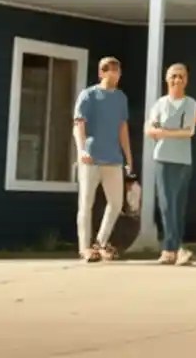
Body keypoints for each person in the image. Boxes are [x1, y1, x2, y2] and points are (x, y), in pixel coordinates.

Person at [73, 56, 134, 263]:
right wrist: (82, 150)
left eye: (118, 71)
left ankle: (100, 242)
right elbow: (79, 124)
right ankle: (84, 248)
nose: (115, 74)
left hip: (113, 158)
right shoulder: (89, 95)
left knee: (116, 203)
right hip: (91, 158)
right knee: (86, 203)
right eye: (111, 70)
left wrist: (128, 157)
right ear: (102, 73)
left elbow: (122, 128)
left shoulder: (121, 98)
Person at [147, 63, 196, 266]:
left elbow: (188, 131)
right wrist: (170, 131)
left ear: (186, 80)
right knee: (166, 204)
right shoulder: (160, 104)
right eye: (173, 76)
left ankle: (173, 248)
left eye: (181, 76)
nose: (177, 80)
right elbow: (151, 128)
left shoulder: (190, 104)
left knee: (177, 205)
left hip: (183, 160)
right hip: (162, 158)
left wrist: (164, 131)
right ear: (166, 79)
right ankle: (173, 249)